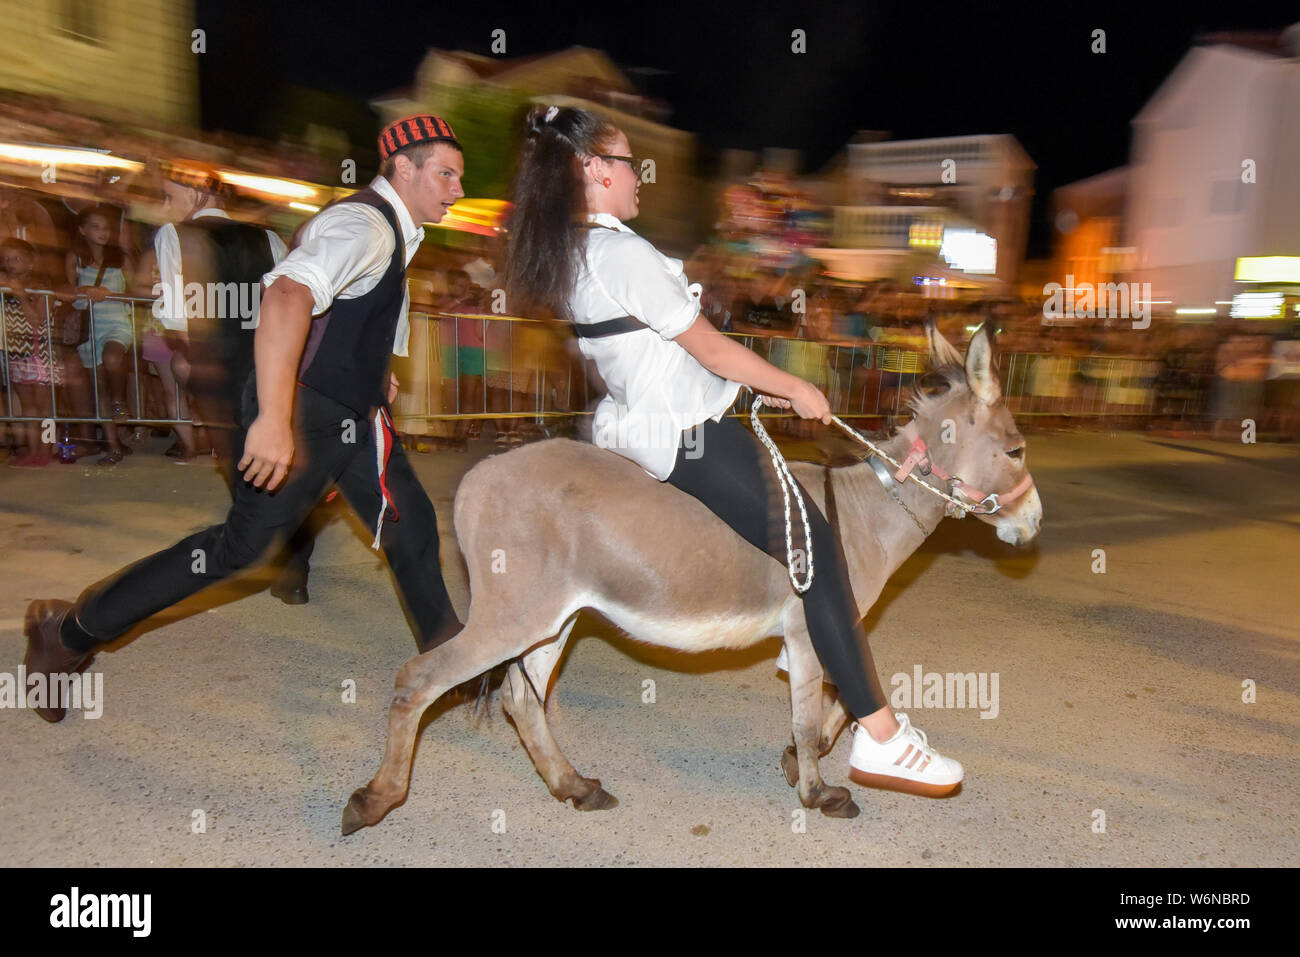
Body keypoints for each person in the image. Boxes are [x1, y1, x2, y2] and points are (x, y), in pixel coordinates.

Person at [504, 105, 963, 797]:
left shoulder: (577, 252)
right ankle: (882, 739)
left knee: (807, 549)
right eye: (627, 163)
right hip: (688, 434)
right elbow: (709, 347)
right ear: (594, 170)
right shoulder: (620, 252)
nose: (639, 177)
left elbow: (657, 357)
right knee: (821, 556)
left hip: (651, 422)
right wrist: (794, 386)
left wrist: (749, 393)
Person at [22, 114, 467, 722]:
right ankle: (67, 631)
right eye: (446, 174)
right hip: (306, 408)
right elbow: (286, 296)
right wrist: (274, 420)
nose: (457, 190)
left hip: (350, 410)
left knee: (408, 520)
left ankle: (451, 662)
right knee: (240, 550)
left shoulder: (395, 230)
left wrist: (373, 368)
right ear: (404, 168)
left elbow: (349, 313)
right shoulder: (364, 223)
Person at [154, 160, 321, 602]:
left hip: (217, 371)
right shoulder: (267, 239)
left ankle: (263, 553)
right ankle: (294, 568)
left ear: (196, 194)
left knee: (241, 467)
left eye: (169, 196)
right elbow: (292, 304)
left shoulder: (176, 236)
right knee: (281, 464)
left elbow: (178, 317)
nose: (166, 207)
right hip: (272, 370)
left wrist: (189, 360)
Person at [2, 238, 63, 467]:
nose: (10, 264)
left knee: (44, 406)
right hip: (17, 353)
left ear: (30, 262)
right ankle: (32, 449)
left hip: (40, 355)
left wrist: (21, 295)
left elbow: (38, 320)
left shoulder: (42, 286)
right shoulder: (6, 287)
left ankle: (46, 449)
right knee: (27, 407)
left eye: (16, 259)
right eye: (6, 260)